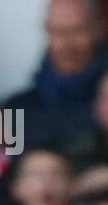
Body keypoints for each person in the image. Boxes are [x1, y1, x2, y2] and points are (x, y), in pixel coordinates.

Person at [8, 0, 108, 155]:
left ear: (99, 28)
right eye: (58, 32)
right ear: (46, 30)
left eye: (77, 31)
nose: (67, 44)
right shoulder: (18, 110)